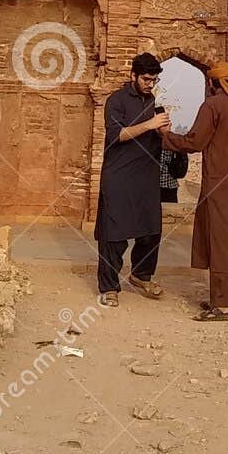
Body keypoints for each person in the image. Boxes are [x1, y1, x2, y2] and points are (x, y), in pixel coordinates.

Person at [163, 61, 228, 321]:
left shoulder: (213, 105)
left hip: (219, 181)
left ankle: (223, 306)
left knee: (220, 241)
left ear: (213, 83)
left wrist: (165, 137)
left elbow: (195, 141)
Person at [94, 53, 169, 307]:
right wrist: (150, 124)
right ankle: (109, 287)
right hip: (119, 177)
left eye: (155, 80)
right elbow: (118, 135)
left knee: (151, 231)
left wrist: (163, 131)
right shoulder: (116, 101)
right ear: (133, 76)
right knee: (114, 234)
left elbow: (155, 135)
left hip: (146, 177)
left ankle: (141, 275)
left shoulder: (152, 101)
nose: (151, 84)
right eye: (147, 79)